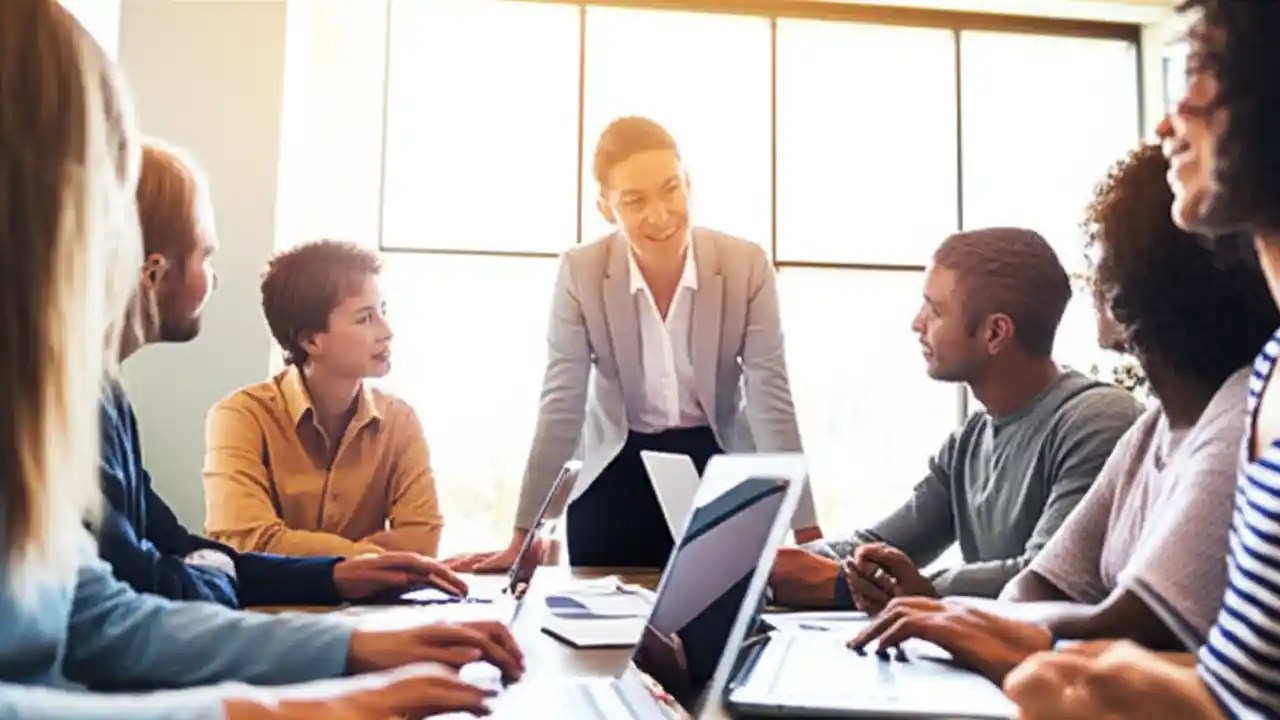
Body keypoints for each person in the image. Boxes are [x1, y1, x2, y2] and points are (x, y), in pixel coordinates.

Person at [0, 2, 521, 717]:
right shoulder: (220, 413)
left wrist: (349, 639)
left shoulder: (49, 391)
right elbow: (173, 572)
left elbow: (98, 617)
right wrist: (298, 706)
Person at [846, 144, 1279, 684]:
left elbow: (1131, 627)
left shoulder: (1235, 415)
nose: (1088, 274)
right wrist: (966, 615)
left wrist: (963, 614)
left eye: (1099, 247)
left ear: (1146, 273)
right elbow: (1032, 589)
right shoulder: (1151, 430)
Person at [1003, 2, 1280, 718]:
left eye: (1197, 75)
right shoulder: (1268, 382)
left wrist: (1075, 672)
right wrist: (1091, 677)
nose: (1167, 122)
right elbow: (1241, 696)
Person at [95, 141, 463, 607]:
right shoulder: (84, 404)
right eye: (206, 256)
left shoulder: (108, 395)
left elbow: (178, 547)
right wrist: (222, 567)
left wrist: (337, 574)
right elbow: (159, 577)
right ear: (153, 273)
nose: (215, 277)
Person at [449, 116, 821, 570]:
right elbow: (562, 402)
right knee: (603, 615)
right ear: (607, 208)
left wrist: (807, 534)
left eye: (671, 189)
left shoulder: (745, 266)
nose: (660, 214)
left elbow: (770, 397)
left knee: (721, 620)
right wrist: (524, 537)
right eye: (635, 200)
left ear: (689, 183)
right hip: (617, 463)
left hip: (717, 461)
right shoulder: (581, 272)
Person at [769, 228, 1143, 609]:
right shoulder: (970, 439)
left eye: (935, 310)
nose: (917, 323)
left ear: (995, 332)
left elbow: (1045, 577)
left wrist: (904, 588)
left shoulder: (1097, 420)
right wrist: (759, 567)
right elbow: (878, 545)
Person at [203, 239, 444, 557]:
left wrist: (299, 548)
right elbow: (248, 542)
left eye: (382, 312)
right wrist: (373, 559)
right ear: (310, 340)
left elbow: (421, 541)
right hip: (266, 607)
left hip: (371, 607)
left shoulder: (400, 420)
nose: (387, 331)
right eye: (365, 318)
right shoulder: (241, 416)